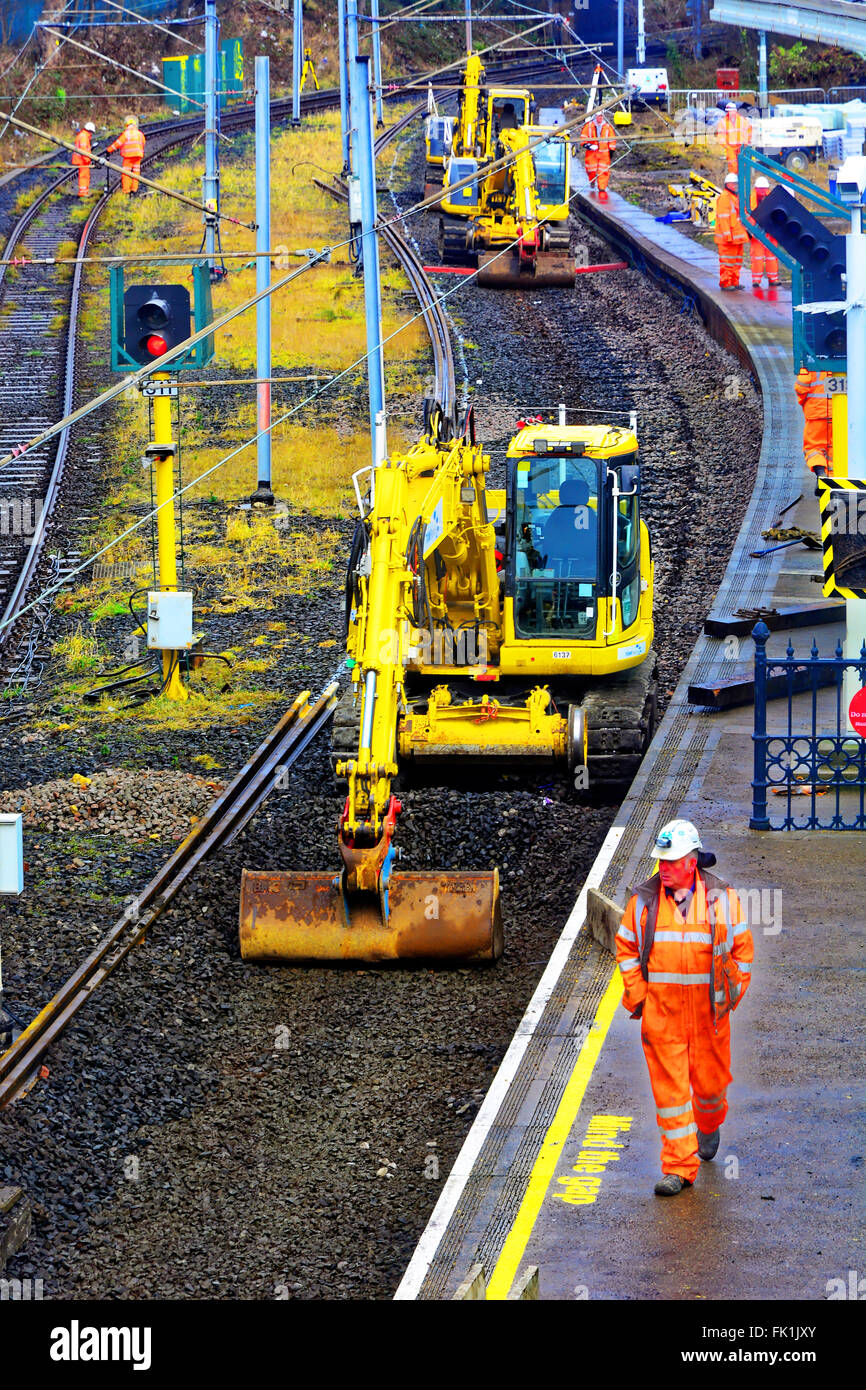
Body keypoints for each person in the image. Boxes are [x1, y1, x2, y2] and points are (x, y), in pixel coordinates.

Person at [616, 819, 753, 1196]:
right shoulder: (643, 901)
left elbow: (742, 953)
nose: (663, 868)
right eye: (661, 861)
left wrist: (730, 997)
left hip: (709, 1016)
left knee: (709, 1090)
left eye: (671, 862)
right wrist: (640, 996)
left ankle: (709, 1124)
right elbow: (627, 949)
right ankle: (678, 1167)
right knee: (671, 1096)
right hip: (663, 1018)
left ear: (692, 863)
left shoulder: (722, 899)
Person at [795, 368, 834, 491]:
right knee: (833, 449)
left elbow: (801, 387)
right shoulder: (843, 360)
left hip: (816, 415)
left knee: (813, 448)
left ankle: (821, 474)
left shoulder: (810, 363)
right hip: (837, 414)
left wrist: (803, 402)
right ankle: (831, 481)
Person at [713, 172, 748, 290]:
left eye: (736, 184)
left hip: (737, 238)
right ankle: (726, 283)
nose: (736, 186)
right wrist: (727, 236)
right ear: (728, 184)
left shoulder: (734, 198)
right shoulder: (724, 198)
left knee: (736, 262)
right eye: (734, 184)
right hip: (728, 239)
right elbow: (723, 218)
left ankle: (734, 281)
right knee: (727, 262)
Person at [750, 176, 779, 290]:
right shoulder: (750, 200)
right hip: (757, 233)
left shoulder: (771, 199)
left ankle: (773, 279)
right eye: (760, 189)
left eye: (764, 189)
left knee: (772, 257)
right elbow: (747, 216)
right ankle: (756, 281)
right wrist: (752, 230)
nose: (762, 191)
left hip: (770, 233)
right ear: (756, 189)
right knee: (757, 257)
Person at [580, 109, 616, 197]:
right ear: (595, 117)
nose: (600, 118)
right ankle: (592, 181)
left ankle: (602, 188)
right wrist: (589, 146)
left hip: (604, 154)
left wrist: (611, 152)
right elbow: (583, 140)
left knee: (603, 171)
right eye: (598, 116)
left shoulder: (608, 128)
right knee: (591, 170)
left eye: (601, 116)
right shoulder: (588, 126)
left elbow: (612, 140)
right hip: (592, 153)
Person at [107, 115, 146, 194]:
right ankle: (134, 189)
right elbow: (143, 143)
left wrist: (109, 150)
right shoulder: (140, 134)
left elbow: (117, 144)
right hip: (138, 156)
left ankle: (126, 190)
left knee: (126, 173)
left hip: (128, 157)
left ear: (127, 125)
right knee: (136, 172)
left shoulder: (126, 134)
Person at [716, 100, 752, 175]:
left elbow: (749, 131)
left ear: (735, 111)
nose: (731, 113)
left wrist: (746, 143)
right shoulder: (723, 122)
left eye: (732, 111)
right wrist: (726, 146)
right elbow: (720, 136)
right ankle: (734, 179)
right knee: (732, 164)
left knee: (744, 163)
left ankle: (744, 178)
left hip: (742, 147)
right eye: (729, 111)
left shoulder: (742, 120)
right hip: (730, 148)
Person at [71, 121, 95, 197]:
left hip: (81, 159)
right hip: (82, 160)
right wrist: (88, 160)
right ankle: (83, 192)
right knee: (84, 176)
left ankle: (84, 191)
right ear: (90, 131)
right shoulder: (84, 137)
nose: (92, 134)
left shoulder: (82, 135)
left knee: (84, 175)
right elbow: (84, 150)